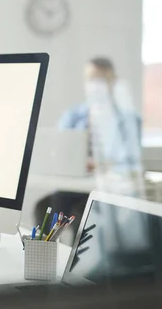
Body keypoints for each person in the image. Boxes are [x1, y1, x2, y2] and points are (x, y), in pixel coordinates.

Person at [35, 57, 142, 243]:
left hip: (106, 189)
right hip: (73, 187)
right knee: (44, 208)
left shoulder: (128, 119)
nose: (95, 86)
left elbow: (129, 160)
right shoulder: (73, 116)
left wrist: (104, 164)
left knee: (81, 214)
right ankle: (46, 258)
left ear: (112, 82)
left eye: (101, 79)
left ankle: (78, 265)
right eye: (91, 79)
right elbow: (57, 149)